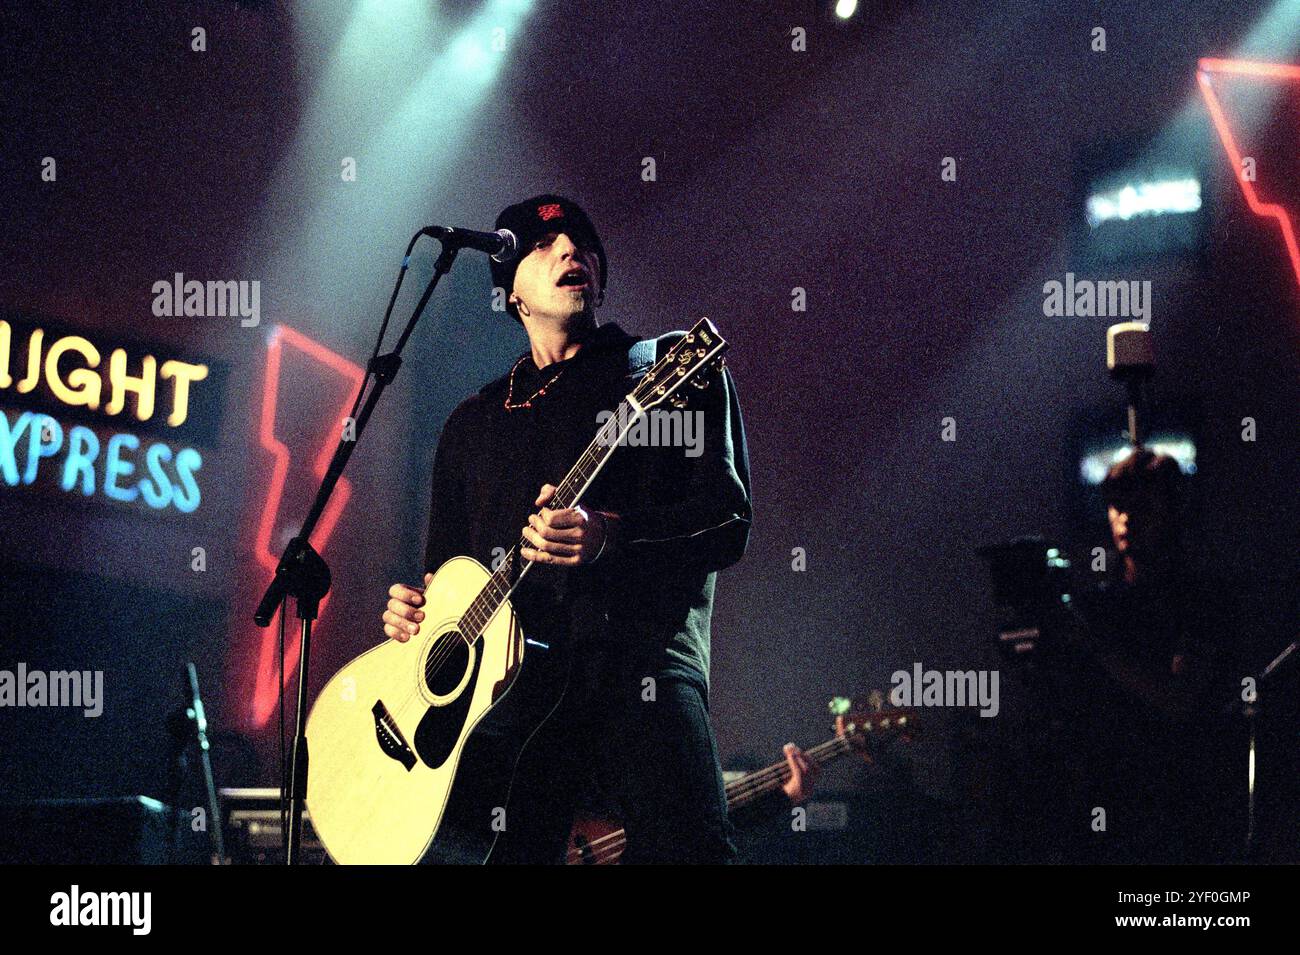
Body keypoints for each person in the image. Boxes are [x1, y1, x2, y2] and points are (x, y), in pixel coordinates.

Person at [382, 194, 753, 863]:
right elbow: (447, 577)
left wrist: (610, 535)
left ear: (600, 277)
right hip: (510, 701)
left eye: (580, 242)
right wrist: (418, 617)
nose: (568, 250)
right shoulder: (473, 421)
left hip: (638, 668)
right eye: (542, 244)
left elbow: (727, 519)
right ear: (512, 293)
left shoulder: (663, 366)